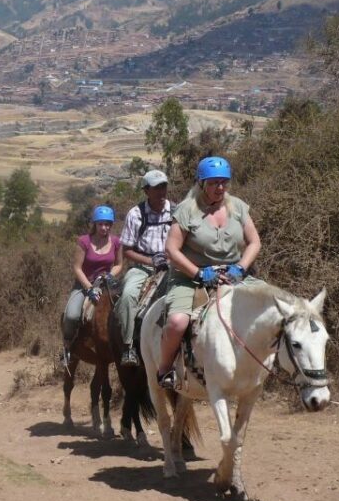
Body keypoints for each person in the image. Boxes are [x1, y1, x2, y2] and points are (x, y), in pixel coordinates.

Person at [156, 156, 261, 389]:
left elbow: (254, 242)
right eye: (214, 183)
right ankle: (164, 370)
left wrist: (240, 267)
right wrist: (198, 274)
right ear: (201, 183)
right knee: (176, 322)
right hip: (189, 277)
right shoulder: (186, 210)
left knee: (273, 306)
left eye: (224, 182)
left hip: (232, 274)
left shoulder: (238, 207)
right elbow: (171, 250)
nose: (220, 187)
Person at [115, 169, 175, 367]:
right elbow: (127, 251)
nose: (161, 192)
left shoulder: (176, 211)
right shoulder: (135, 214)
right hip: (143, 267)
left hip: (172, 265)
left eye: (163, 186)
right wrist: (151, 262)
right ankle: (128, 346)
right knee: (128, 295)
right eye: (156, 188)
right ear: (146, 191)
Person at [61, 205, 124, 365]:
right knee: (71, 315)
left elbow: (119, 264)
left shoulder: (116, 241)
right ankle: (67, 348)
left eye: (108, 224)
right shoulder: (84, 241)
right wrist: (89, 288)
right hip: (84, 285)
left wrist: (110, 274)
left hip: (107, 285)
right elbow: (77, 267)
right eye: (101, 224)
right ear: (95, 224)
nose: (104, 227)